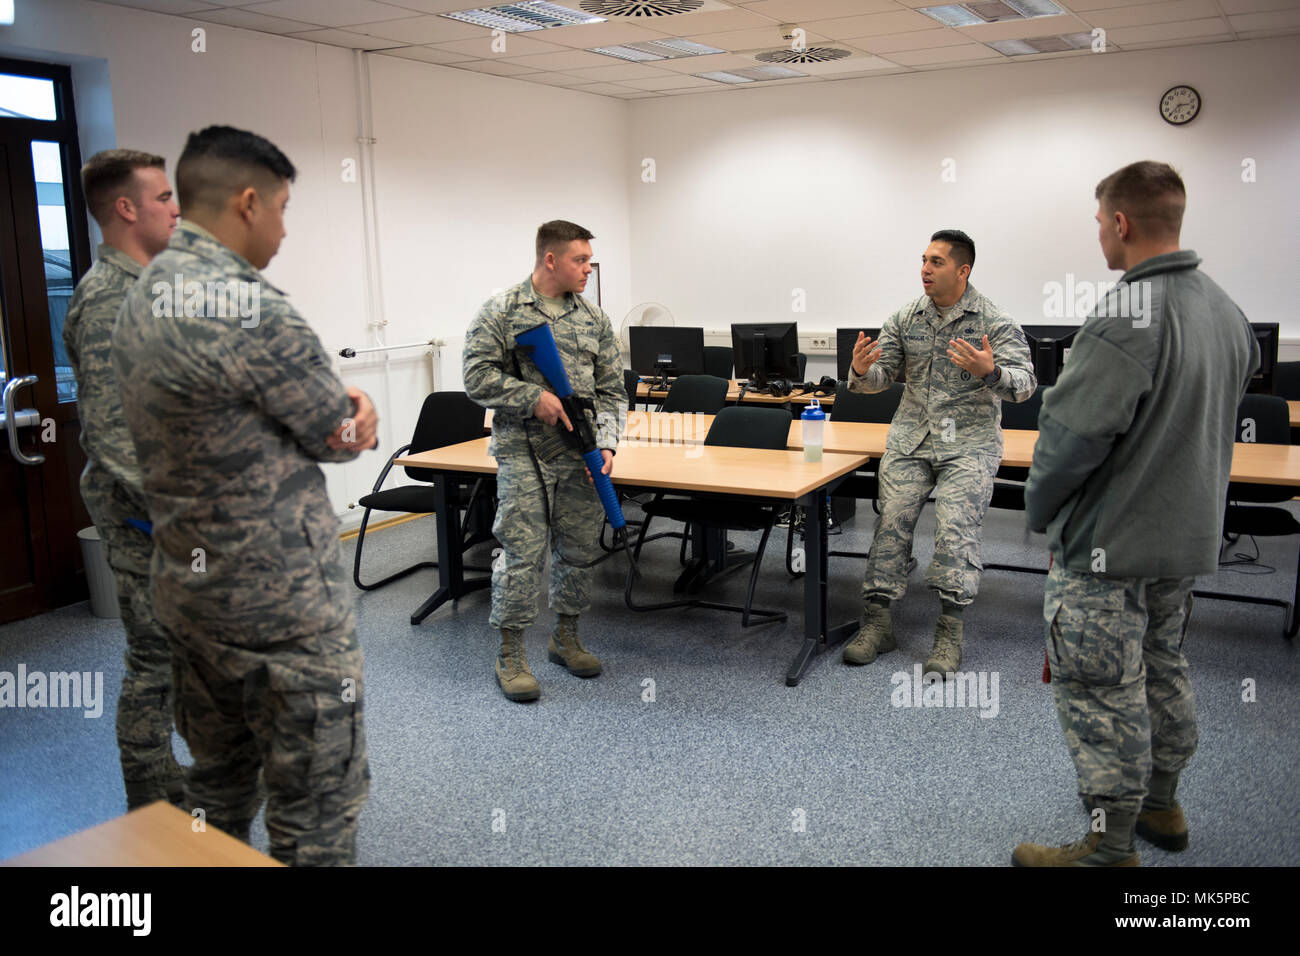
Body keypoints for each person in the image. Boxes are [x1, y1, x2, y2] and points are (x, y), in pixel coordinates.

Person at [112, 126, 378, 865]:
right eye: (284, 209)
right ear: (249, 201)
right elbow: (335, 430)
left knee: (219, 785)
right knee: (317, 807)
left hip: (192, 595)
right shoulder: (249, 307)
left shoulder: (140, 297)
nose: (286, 231)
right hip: (281, 609)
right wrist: (359, 410)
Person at [1013, 162, 1258, 866]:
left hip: (1108, 547)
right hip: (1183, 540)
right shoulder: (1225, 310)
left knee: (1099, 689)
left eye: (1099, 222)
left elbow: (1069, 441)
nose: (1099, 234)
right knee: (1162, 667)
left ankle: (1107, 846)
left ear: (1120, 223)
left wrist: (1042, 513)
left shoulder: (1126, 316)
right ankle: (1163, 807)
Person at [841, 230, 1036, 675]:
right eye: (923, 260)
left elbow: (1026, 386)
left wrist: (992, 373)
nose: (925, 269)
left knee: (955, 529)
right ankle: (878, 624)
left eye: (936, 262)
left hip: (969, 445)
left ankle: (949, 632)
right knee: (890, 523)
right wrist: (860, 369)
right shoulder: (906, 316)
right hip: (911, 439)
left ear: (962, 270)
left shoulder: (993, 320)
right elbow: (879, 379)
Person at [63, 149, 184, 810]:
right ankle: (149, 806)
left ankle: (170, 780)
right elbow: (113, 434)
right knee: (154, 660)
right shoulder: (110, 301)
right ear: (126, 208)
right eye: (164, 197)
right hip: (149, 517)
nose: (175, 208)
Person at [462, 220, 623, 703]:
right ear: (549, 259)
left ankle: (565, 637)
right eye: (580, 260)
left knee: (577, 550)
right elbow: (475, 377)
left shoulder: (594, 317)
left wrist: (609, 443)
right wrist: (533, 397)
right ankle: (510, 654)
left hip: (582, 454)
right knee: (522, 554)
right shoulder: (503, 310)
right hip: (524, 452)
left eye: (590, 261)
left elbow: (614, 390)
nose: (588, 269)